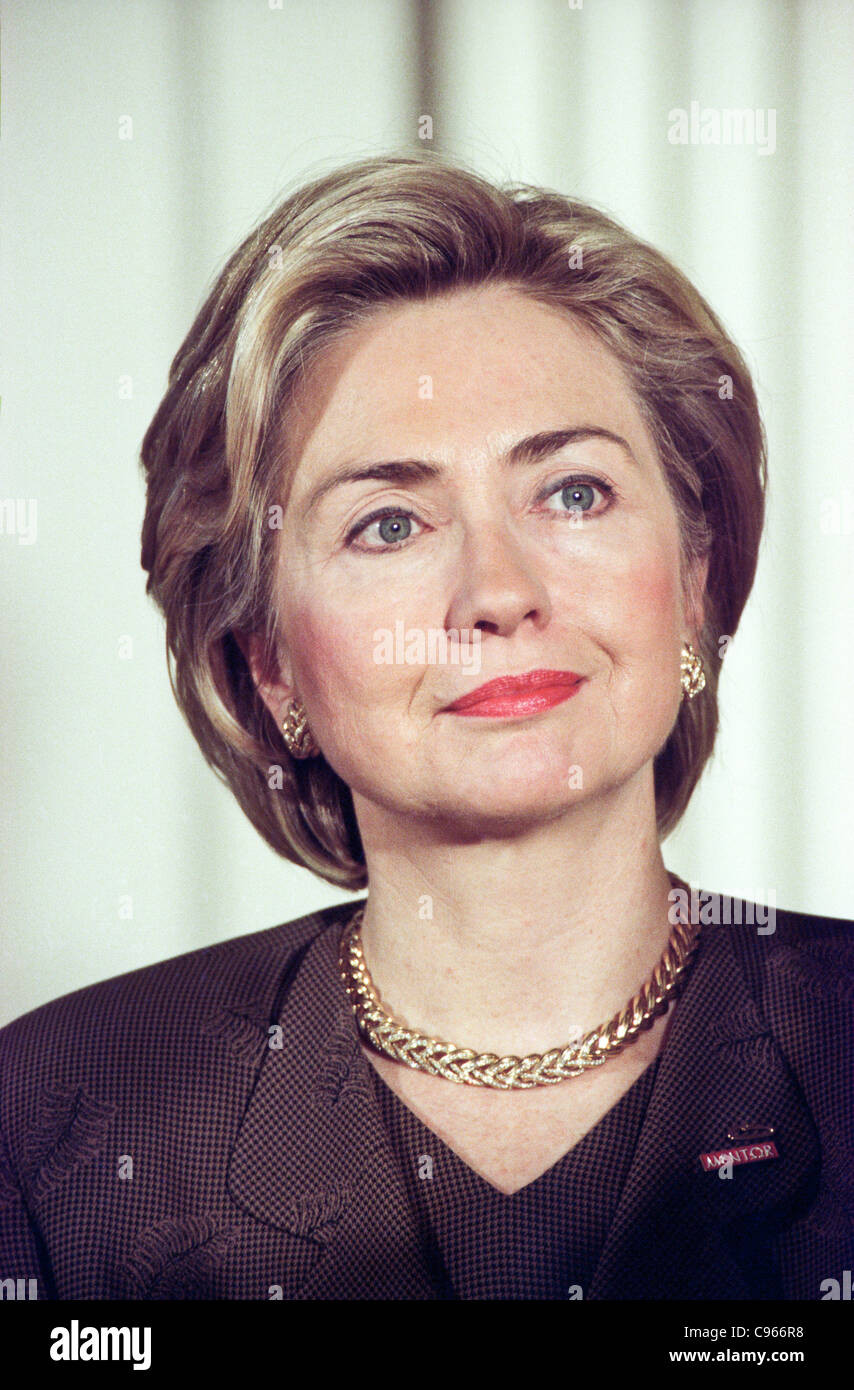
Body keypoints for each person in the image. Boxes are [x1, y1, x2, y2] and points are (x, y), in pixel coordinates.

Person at [1, 154, 851, 1301]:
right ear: (268, 664)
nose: (497, 591)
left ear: (693, 579)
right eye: (389, 523)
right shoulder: (55, 1123)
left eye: (573, 492)